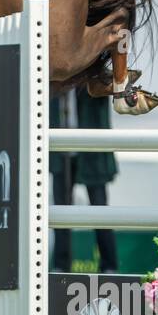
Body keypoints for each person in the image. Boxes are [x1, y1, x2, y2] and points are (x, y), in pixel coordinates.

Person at [51, 89, 120, 273]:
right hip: (61, 151)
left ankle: (109, 266)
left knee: (100, 207)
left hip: (92, 152)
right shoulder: (54, 74)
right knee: (60, 210)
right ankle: (60, 265)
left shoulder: (91, 72)